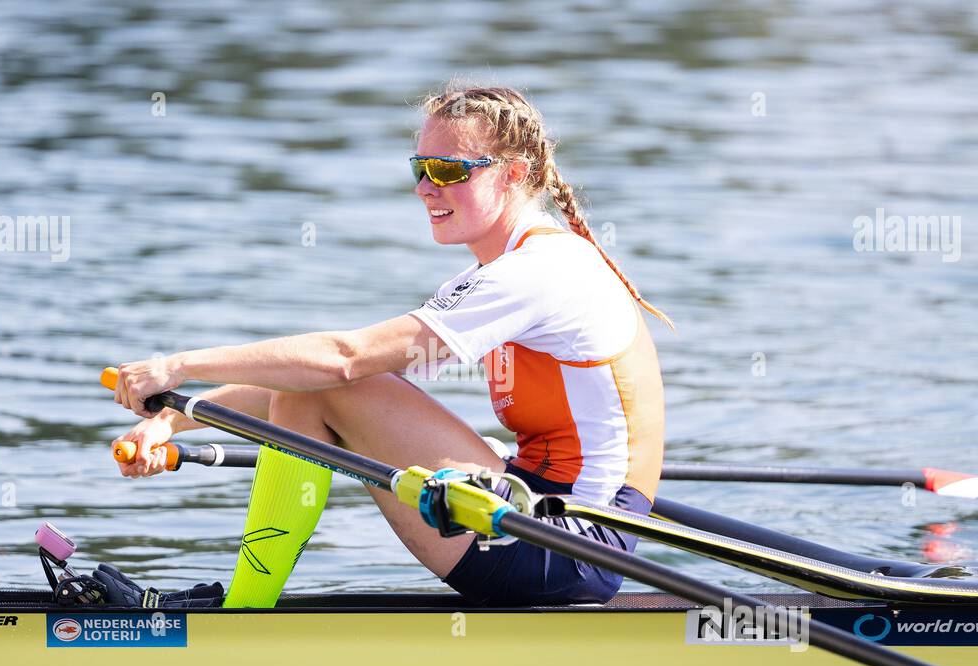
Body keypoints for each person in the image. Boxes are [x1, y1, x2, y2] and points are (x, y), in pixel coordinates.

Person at [109, 84, 670, 607]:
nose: (426, 187)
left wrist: (177, 368)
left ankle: (244, 613)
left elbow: (344, 360)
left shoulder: (537, 271)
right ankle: (249, 603)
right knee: (318, 391)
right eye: (420, 168)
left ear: (512, 174)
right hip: (534, 506)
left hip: (569, 545)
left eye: (448, 169)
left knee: (337, 385)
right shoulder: (511, 268)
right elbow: (322, 379)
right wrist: (174, 421)